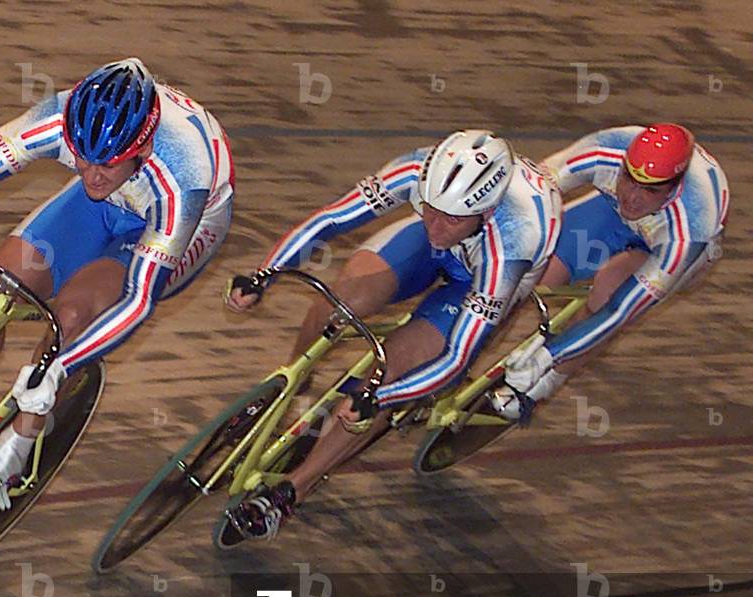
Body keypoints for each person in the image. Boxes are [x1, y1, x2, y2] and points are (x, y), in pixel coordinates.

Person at [0, 58, 234, 510]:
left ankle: (16, 449)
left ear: (143, 150)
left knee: (73, 316)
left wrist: (57, 369)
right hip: (103, 205)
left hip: (176, 224)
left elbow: (139, 300)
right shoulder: (61, 122)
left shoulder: (183, 180)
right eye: (82, 158)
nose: (92, 173)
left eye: (108, 164)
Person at [224, 130, 562, 541]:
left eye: (451, 217)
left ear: (486, 212)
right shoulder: (417, 172)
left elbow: (456, 356)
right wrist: (265, 273)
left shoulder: (512, 243)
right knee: (338, 305)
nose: (436, 223)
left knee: (392, 369)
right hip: (442, 247)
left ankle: (294, 489)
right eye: (430, 208)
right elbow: (331, 218)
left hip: (477, 281)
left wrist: (378, 399)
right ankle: (289, 394)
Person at [495, 124, 729, 417]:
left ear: (674, 188)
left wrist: (547, 358)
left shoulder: (690, 229)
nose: (633, 196)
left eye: (649, 189)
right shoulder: (607, 148)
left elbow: (619, 312)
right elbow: (530, 196)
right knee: (528, 273)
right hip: (611, 211)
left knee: (606, 295)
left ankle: (543, 387)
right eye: (629, 179)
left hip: (666, 242)